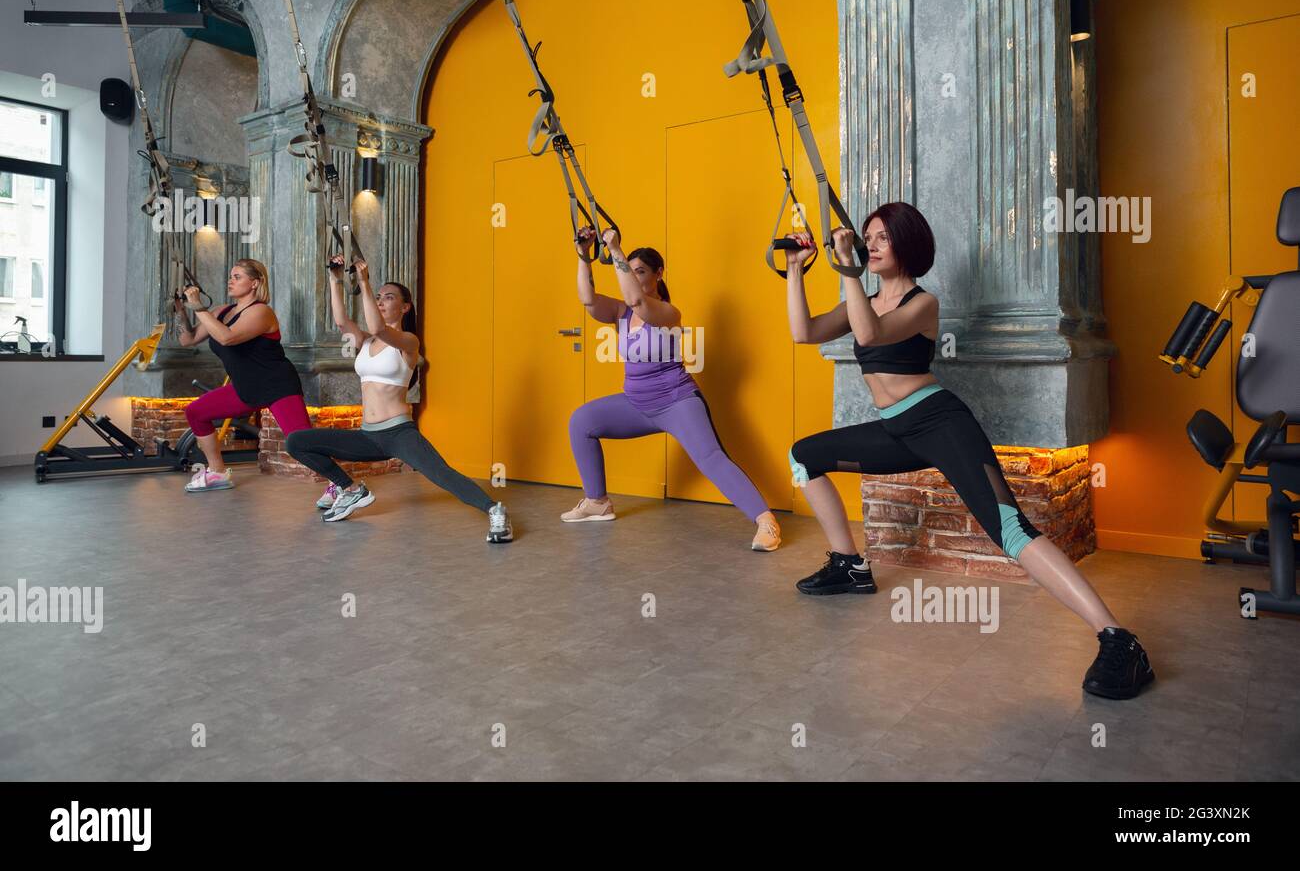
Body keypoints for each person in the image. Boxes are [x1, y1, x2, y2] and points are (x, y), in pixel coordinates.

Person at [784, 203, 1154, 700]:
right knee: (803, 456)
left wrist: (847, 267)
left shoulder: (922, 304)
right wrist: (793, 271)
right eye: (866, 237)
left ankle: (1119, 640)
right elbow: (803, 332)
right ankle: (849, 567)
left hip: (939, 423)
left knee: (1009, 529)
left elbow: (870, 332)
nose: (869, 245)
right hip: (896, 431)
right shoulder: (865, 299)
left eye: (881, 238)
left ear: (907, 245)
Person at [565, 226, 781, 552]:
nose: (635, 277)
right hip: (636, 403)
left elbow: (637, 299)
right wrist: (585, 256)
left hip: (676, 401)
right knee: (581, 422)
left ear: (658, 274)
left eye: (641, 271)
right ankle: (597, 502)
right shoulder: (620, 313)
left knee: (711, 458)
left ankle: (766, 521)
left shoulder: (667, 312)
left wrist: (617, 251)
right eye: (631, 271)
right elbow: (587, 299)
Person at [285, 256, 512, 542]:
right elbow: (342, 321)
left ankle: (495, 511)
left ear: (405, 307)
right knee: (296, 442)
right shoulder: (365, 341)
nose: (380, 301)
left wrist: (365, 282)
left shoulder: (408, 341)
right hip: (367, 436)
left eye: (388, 297)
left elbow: (381, 328)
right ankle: (351, 490)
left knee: (440, 474)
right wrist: (335, 278)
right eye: (378, 297)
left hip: (398, 433)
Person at [175, 258, 309, 493]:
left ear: (255, 283)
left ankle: (342, 487)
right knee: (196, 412)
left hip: (276, 386)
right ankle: (217, 472)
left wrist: (198, 308)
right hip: (245, 389)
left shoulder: (261, 312)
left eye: (238, 277)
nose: (231, 280)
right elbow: (187, 339)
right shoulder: (220, 312)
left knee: (302, 443)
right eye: (230, 276)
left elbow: (227, 337)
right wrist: (181, 311)